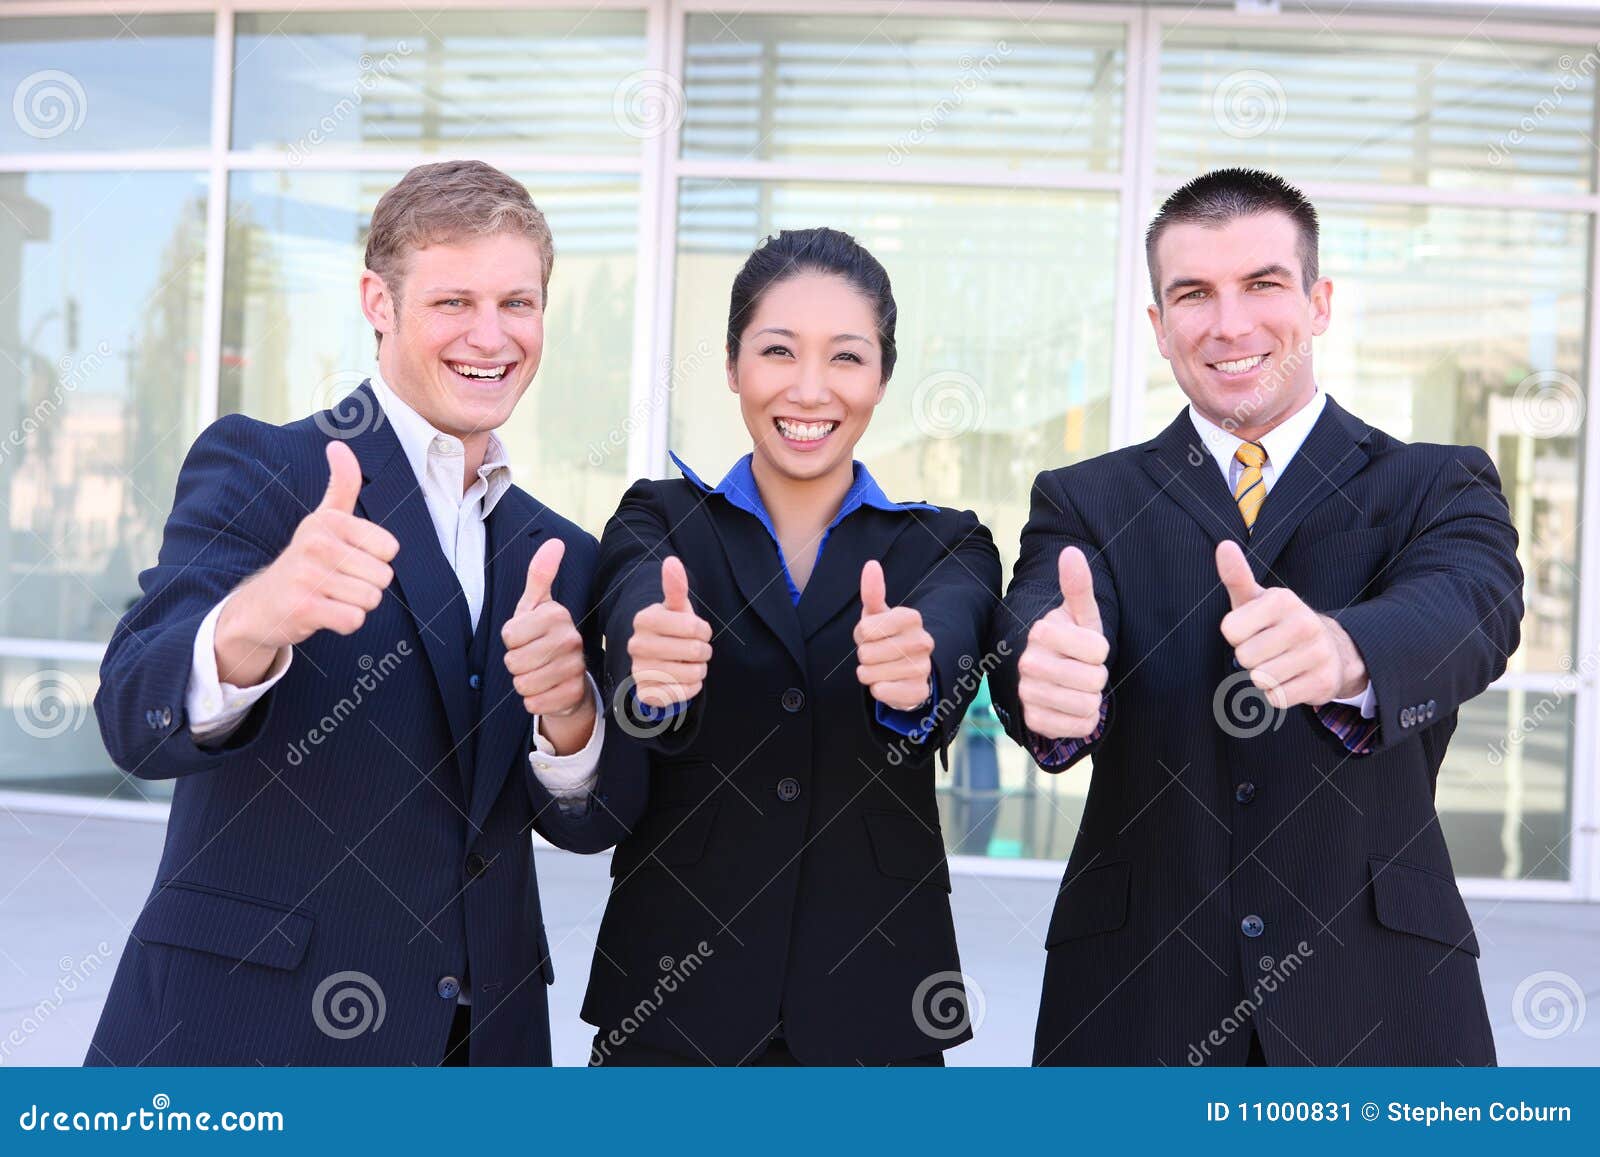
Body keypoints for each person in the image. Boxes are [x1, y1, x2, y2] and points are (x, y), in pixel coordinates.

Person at [87, 160, 646, 1066]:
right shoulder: (270, 470)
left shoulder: (562, 551)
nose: (491, 335)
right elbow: (133, 718)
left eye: (518, 303)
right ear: (377, 304)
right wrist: (256, 617)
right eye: (452, 302)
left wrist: (573, 714)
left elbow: (589, 823)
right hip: (253, 1038)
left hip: (481, 1049)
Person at [988, 168, 1522, 1066]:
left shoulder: (1438, 481)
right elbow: (1043, 614)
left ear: (1317, 302)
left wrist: (1346, 648)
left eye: (1263, 284)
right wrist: (1041, 672)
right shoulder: (1084, 498)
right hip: (1136, 995)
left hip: (1379, 993)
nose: (1229, 324)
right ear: (1159, 328)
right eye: (1193, 294)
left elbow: (1471, 607)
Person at [581, 228, 1001, 1066]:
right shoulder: (659, 518)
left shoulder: (946, 545)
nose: (811, 389)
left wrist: (916, 679)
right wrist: (648, 664)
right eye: (778, 350)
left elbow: (951, 635)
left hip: (877, 1008)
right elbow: (635, 607)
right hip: (673, 1011)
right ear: (734, 366)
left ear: (882, 376)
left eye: (846, 357)